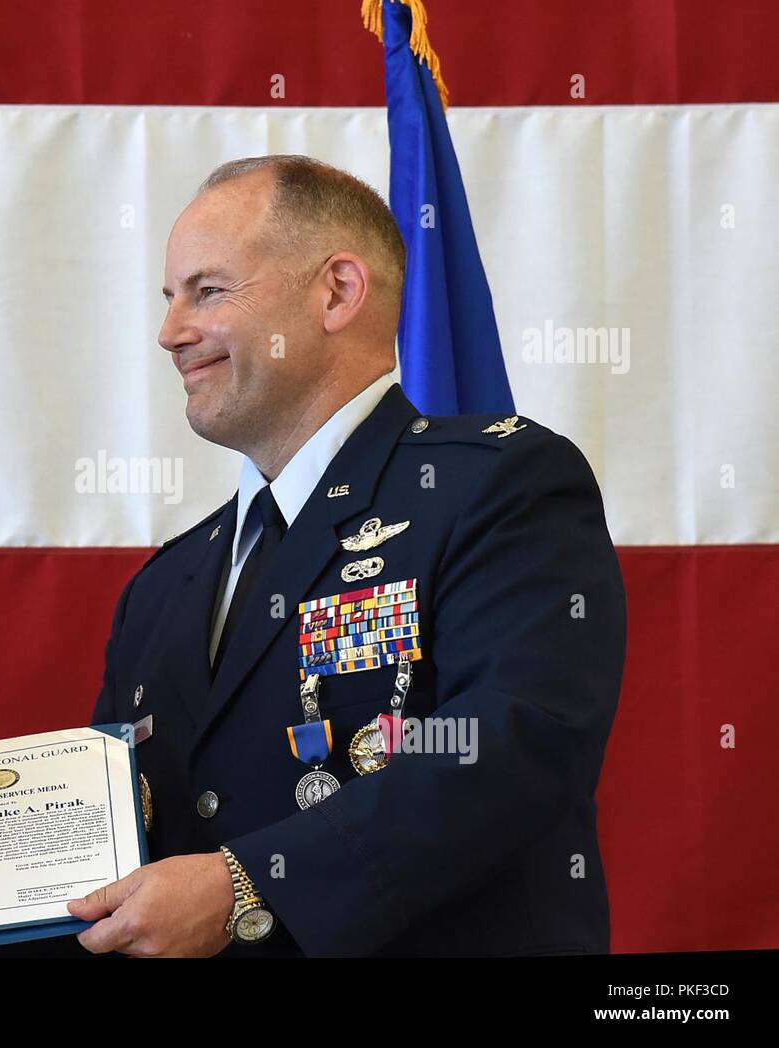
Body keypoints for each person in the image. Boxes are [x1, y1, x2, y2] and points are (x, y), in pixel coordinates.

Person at [71, 155, 626, 957]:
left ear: (337, 292)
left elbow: (501, 743)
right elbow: (111, 856)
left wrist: (246, 884)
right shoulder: (164, 585)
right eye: (169, 300)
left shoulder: (498, 487)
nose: (170, 333)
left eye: (209, 291)